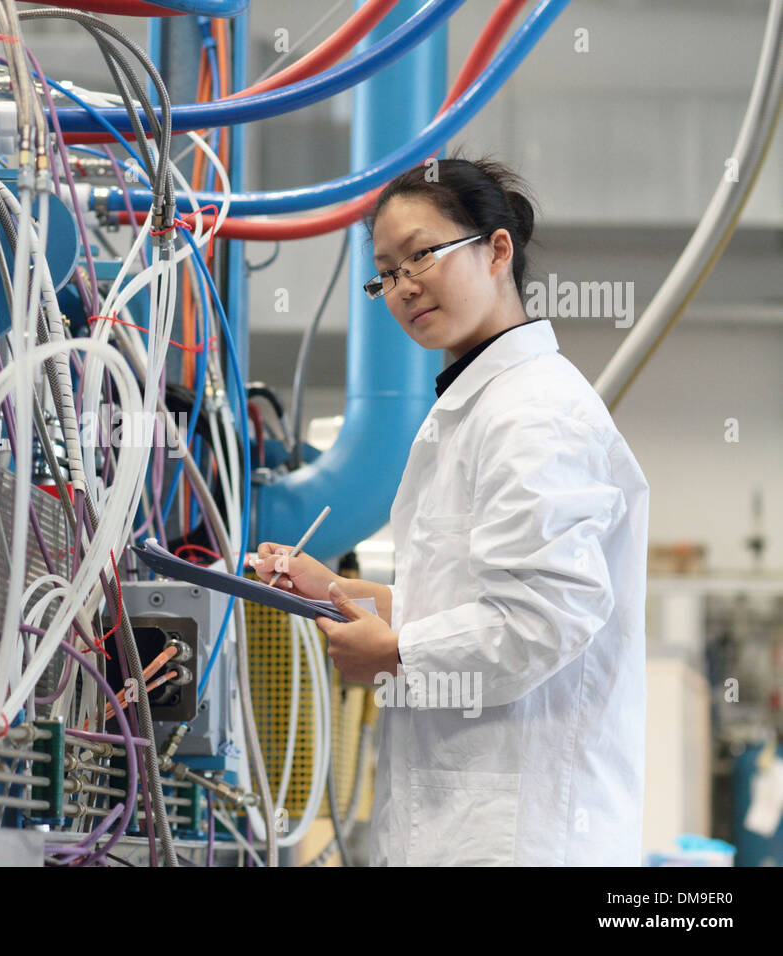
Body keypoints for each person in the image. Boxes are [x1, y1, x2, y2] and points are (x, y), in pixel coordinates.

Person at [252, 157, 650, 866]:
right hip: (461, 827)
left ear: (498, 250)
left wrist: (396, 652)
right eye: (387, 273)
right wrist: (342, 594)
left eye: (422, 256)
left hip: (523, 835)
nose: (404, 288)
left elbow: (542, 618)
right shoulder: (477, 406)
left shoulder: (534, 413)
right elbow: (468, 602)